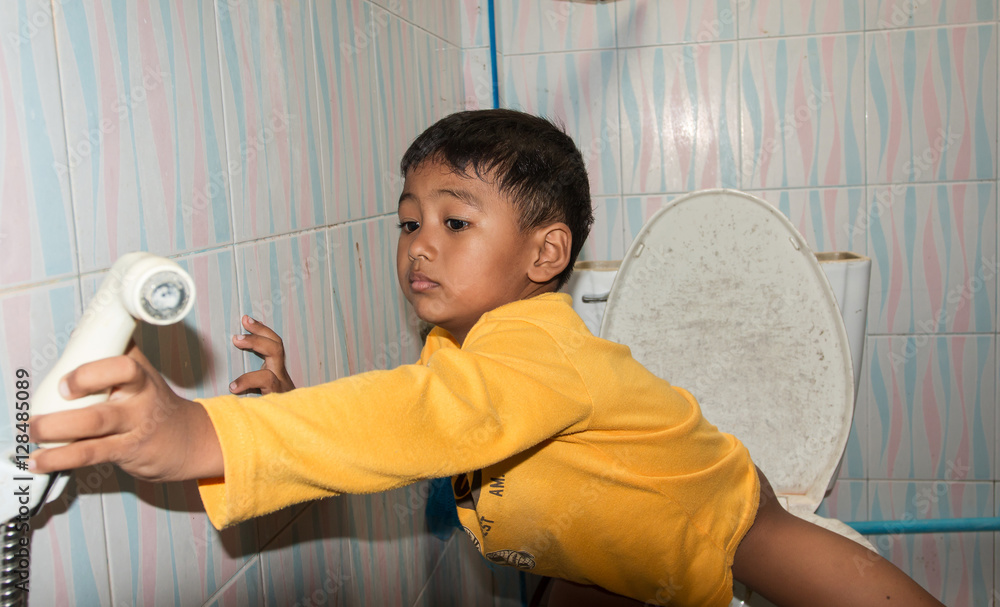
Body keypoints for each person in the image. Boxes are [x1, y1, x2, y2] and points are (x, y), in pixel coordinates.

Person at [29, 109, 943, 607]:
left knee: (800, 560)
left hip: (712, 500)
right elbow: (419, 421)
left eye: (455, 221)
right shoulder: (459, 347)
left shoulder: (534, 338)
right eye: (408, 221)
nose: (420, 243)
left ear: (546, 254)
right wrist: (293, 405)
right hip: (599, 545)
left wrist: (205, 433)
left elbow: (426, 415)